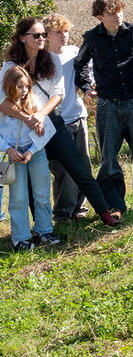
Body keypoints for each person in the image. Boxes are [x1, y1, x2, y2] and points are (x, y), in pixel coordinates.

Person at [1, 18, 120, 228]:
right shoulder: (10, 66)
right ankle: (41, 226)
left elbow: (58, 93)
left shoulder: (52, 59)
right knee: (31, 179)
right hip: (25, 126)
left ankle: (104, 212)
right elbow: (2, 100)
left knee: (78, 168)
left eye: (43, 35)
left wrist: (41, 115)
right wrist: (28, 118)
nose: (41, 38)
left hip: (51, 121)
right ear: (22, 38)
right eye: (36, 35)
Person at [76, 0, 133, 216]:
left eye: (119, 11)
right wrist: (86, 87)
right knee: (108, 156)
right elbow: (80, 65)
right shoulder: (92, 38)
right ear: (99, 17)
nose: (117, 16)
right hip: (107, 104)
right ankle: (114, 204)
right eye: (111, 13)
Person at [0, 66, 59, 251]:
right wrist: (8, 149)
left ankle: (44, 230)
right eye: (20, 86)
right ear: (9, 85)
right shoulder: (4, 107)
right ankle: (20, 238)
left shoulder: (35, 102)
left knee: (42, 194)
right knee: (18, 197)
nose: (24, 90)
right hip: (15, 155)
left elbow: (45, 131)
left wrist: (32, 151)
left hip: (35, 153)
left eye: (26, 86)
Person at [43, 14, 92, 221]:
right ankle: (62, 211)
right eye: (58, 32)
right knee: (62, 168)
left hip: (77, 114)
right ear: (47, 35)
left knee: (83, 163)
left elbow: (88, 73)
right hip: (54, 120)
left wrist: (90, 88)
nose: (64, 35)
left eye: (66, 31)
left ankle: (79, 207)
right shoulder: (42, 59)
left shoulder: (74, 52)